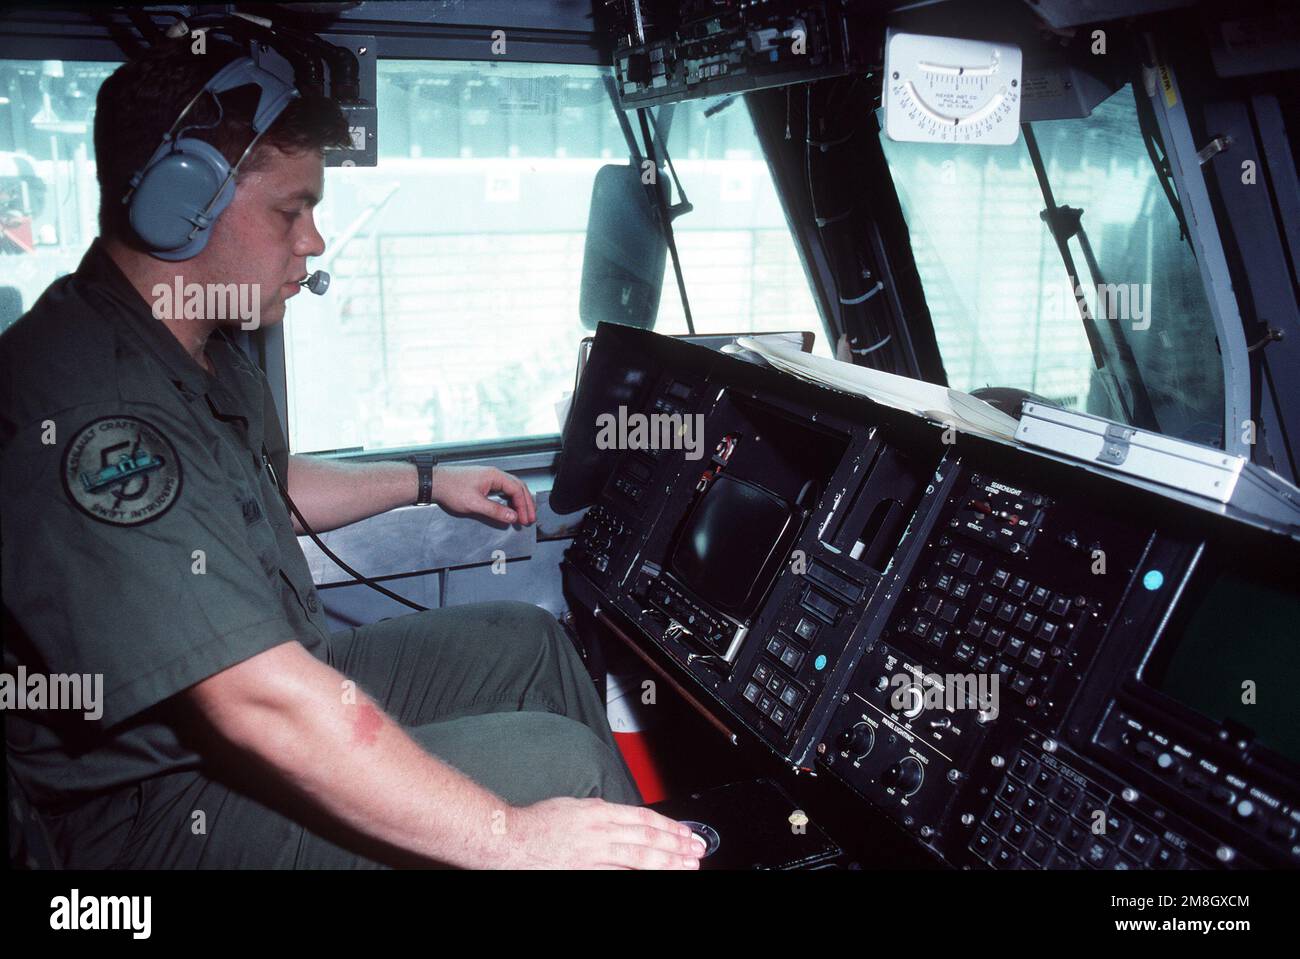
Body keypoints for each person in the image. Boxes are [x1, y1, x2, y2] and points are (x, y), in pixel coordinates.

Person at [0, 41, 705, 870]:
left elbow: (260, 485)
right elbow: (254, 698)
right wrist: (512, 837)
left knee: (528, 642)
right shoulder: (91, 409)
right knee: (562, 768)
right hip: (152, 808)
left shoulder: (197, 341)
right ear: (178, 203)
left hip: (264, 685)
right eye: (290, 211)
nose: (315, 241)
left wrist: (426, 482)